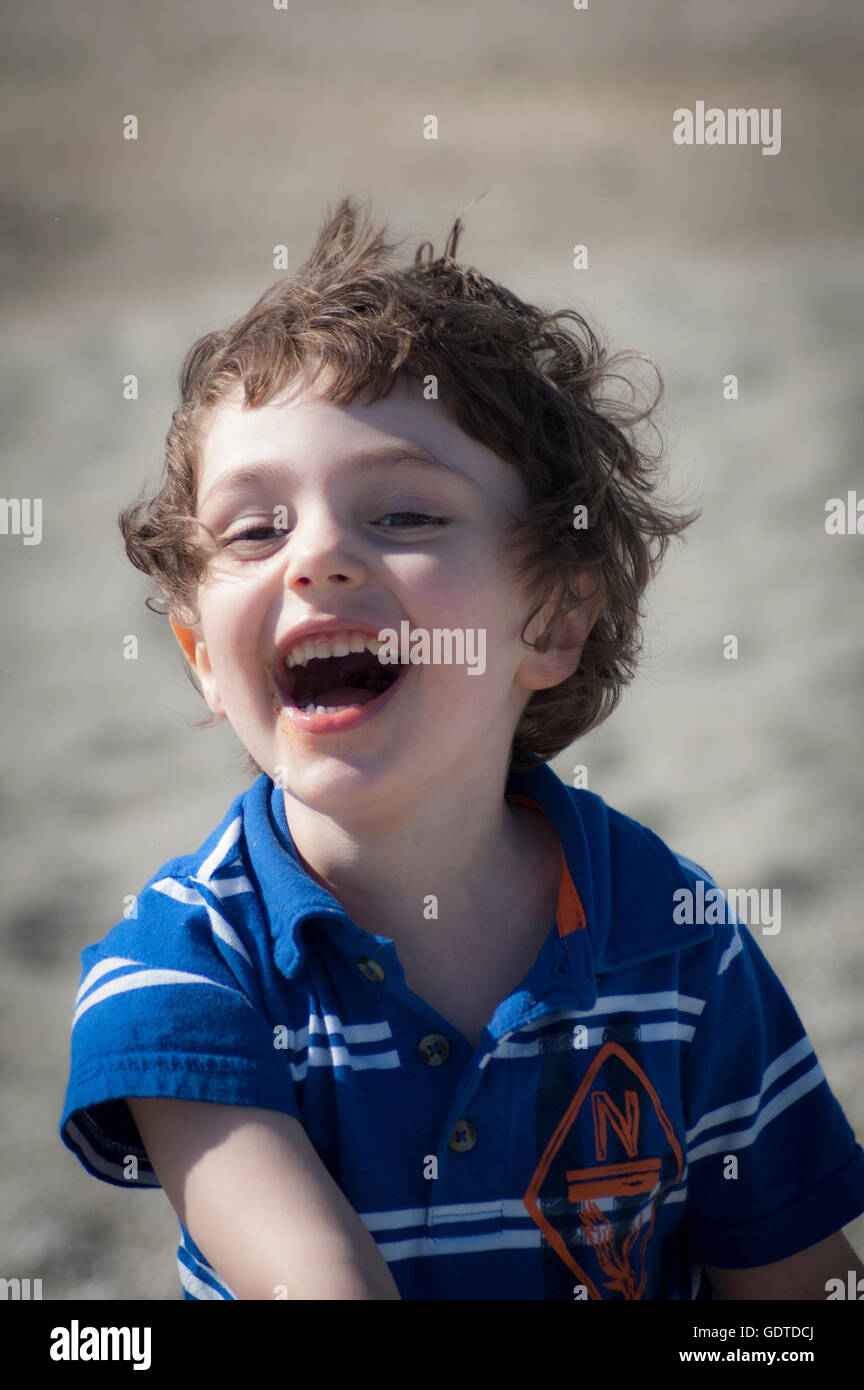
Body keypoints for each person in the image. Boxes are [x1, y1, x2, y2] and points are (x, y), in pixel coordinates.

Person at [60, 196, 864, 1300]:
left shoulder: (676, 941)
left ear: (553, 623)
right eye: (255, 528)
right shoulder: (183, 972)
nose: (318, 558)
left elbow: (799, 1288)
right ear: (201, 654)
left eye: (404, 516)